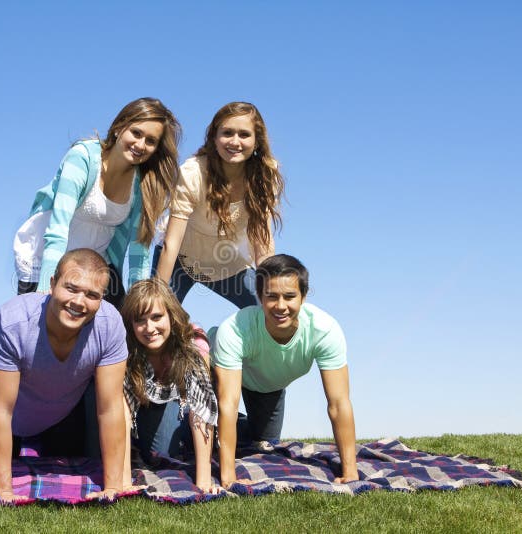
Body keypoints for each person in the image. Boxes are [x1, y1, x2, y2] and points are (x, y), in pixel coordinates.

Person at [0, 248, 129, 503]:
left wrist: (113, 488)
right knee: (2, 477)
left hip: (61, 413)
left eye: (92, 295)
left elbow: (110, 408)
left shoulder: (110, 325)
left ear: (102, 298)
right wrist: (4, 492)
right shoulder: (12, 322)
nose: (79, 302)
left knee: (72, 467)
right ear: (52, 284)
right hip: (8, 416)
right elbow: (0, 411)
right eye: (71, 288)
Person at [14, 97, 181, 307]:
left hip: (96, 261)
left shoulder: (143, 184)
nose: (141, 145)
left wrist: (140, 304)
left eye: (150, 141)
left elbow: (140, 252)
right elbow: (58, 226)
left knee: (123, 322)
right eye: (136, 133)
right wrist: (47, 286)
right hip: (46, 254)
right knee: (40, 329)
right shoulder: (83, 158)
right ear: (120, 127)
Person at [210, 254, 359, 487]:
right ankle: (197, 419)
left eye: (290, 296)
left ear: (303, 296)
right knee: (175, 442)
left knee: (263, 442)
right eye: (271, 297)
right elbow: (228, 403)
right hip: (212, 372)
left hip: (267, 386)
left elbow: (339, 403)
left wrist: (350, 471)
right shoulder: (235, 329)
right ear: (259, 297)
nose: (281, 306)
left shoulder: (324, 329)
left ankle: (220, 429)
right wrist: (228, 474)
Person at [154, 101, 283, 308]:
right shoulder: (193, 173)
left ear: (257, 141)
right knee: (157, 314)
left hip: (226, 261)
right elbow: (172, 243)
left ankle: (218, 337)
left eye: (244, 134)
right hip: (181, 258)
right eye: (227, 133)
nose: (235, 141)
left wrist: (273, 293)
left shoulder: (264, 177)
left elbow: (263, 247)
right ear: (214, 138)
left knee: (265, 308)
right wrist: (157, 299)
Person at [119, 278, 220, 493]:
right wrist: (125, 481)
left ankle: (237, 426)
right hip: (142, 405)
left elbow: (200, 411)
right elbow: (122, 413)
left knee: (164, 453)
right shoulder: (125, 348)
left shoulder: (191, 346)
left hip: (179, 405)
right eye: (140, 320)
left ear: (171, 316)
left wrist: (204, 480)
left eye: (156, 317)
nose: (149, 328)